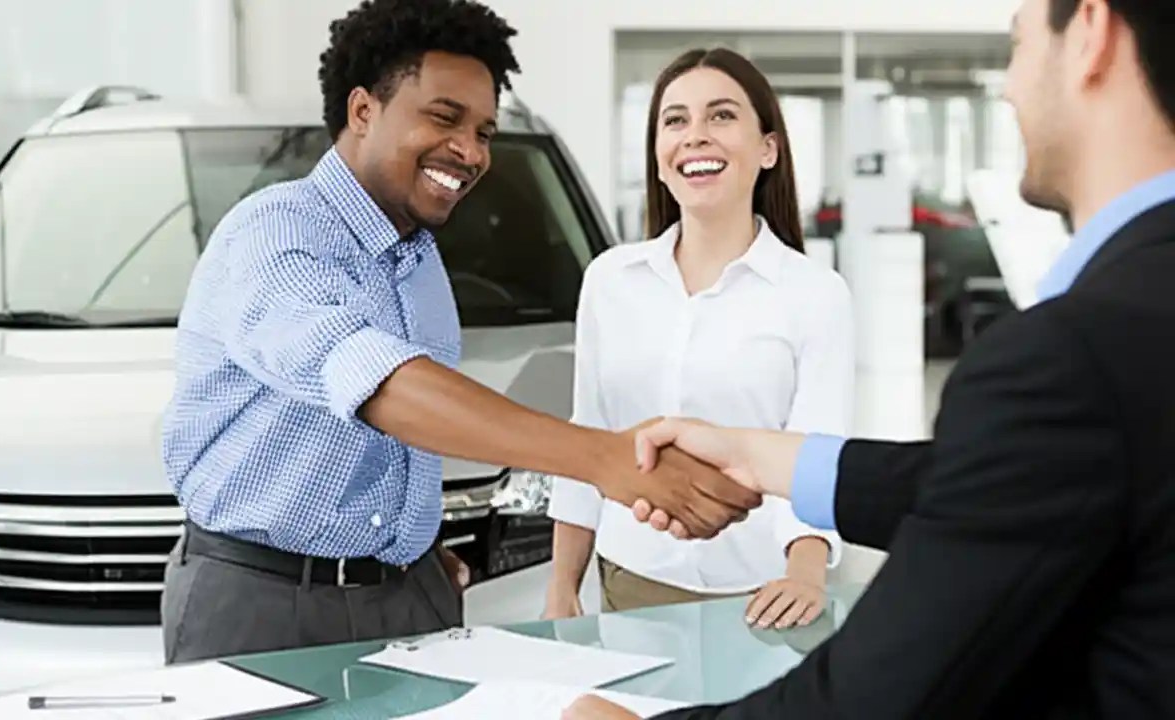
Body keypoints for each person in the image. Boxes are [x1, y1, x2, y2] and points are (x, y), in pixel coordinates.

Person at [564, 0, 1175, 717]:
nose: (1008, 87)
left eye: (1017, 44)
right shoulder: (1121, 329)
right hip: (631, 577)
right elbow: (1010, 483)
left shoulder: (1067, 356)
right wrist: (760, 456)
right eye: (675, 119)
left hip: (749, 597)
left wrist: (803, 556)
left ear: (1091, 33)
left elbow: (876, 692)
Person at [158, 0, 759, 665]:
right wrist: (606, 460)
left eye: (484, 131)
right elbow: (378, 382)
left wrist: (406, 549)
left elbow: (398, 445)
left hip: (411, 593)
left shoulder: (419, 261)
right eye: (445, 118)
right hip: (266, 607)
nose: (471, 152)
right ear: (363, 110)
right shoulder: (276, 232)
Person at [542, 48, 848, 627]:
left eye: (722, 115)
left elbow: (818, 450)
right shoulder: (610, 280)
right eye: (675, 120)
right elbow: (588, 437)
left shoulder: (815, 293)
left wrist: (806, 572)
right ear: (659, 158)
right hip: (630, 581)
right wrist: (562, 584)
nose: (695, 135)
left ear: (768, 149)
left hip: (765, 594)